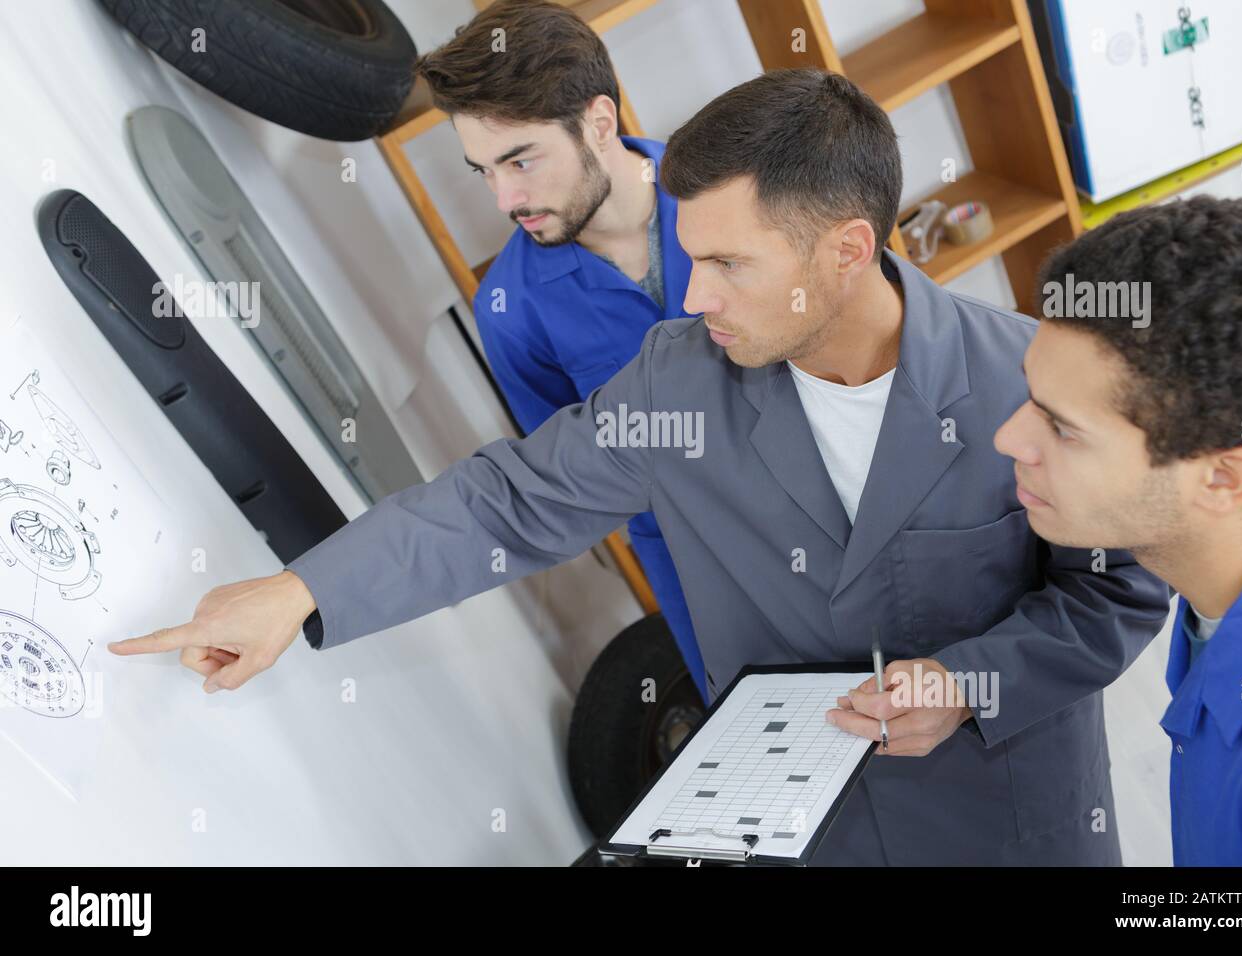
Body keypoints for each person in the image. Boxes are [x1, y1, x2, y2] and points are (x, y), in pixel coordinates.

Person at [110, 68, 1169, 865]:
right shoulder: (680, 382)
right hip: (796, 820)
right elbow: (510, 500)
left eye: (725, 263)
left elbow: (1116, 595)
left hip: (1008, 820)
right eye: (687, 250)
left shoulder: (1025, 384)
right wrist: (301, 591)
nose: (694, 297)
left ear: (845, 253)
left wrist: (972, 683)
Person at [993, 195, 1242, 865]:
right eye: (1028, 398)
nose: (1007, 438)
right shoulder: (1221, 597)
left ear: (1222, 479)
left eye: (1062, 427)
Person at [416, 0, 708, 696]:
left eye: (519, 160)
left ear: (599, 122)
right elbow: (576, 481)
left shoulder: (738, 185)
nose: (504, 199)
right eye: (482, 170)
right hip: (698, 570)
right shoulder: (509, 312)